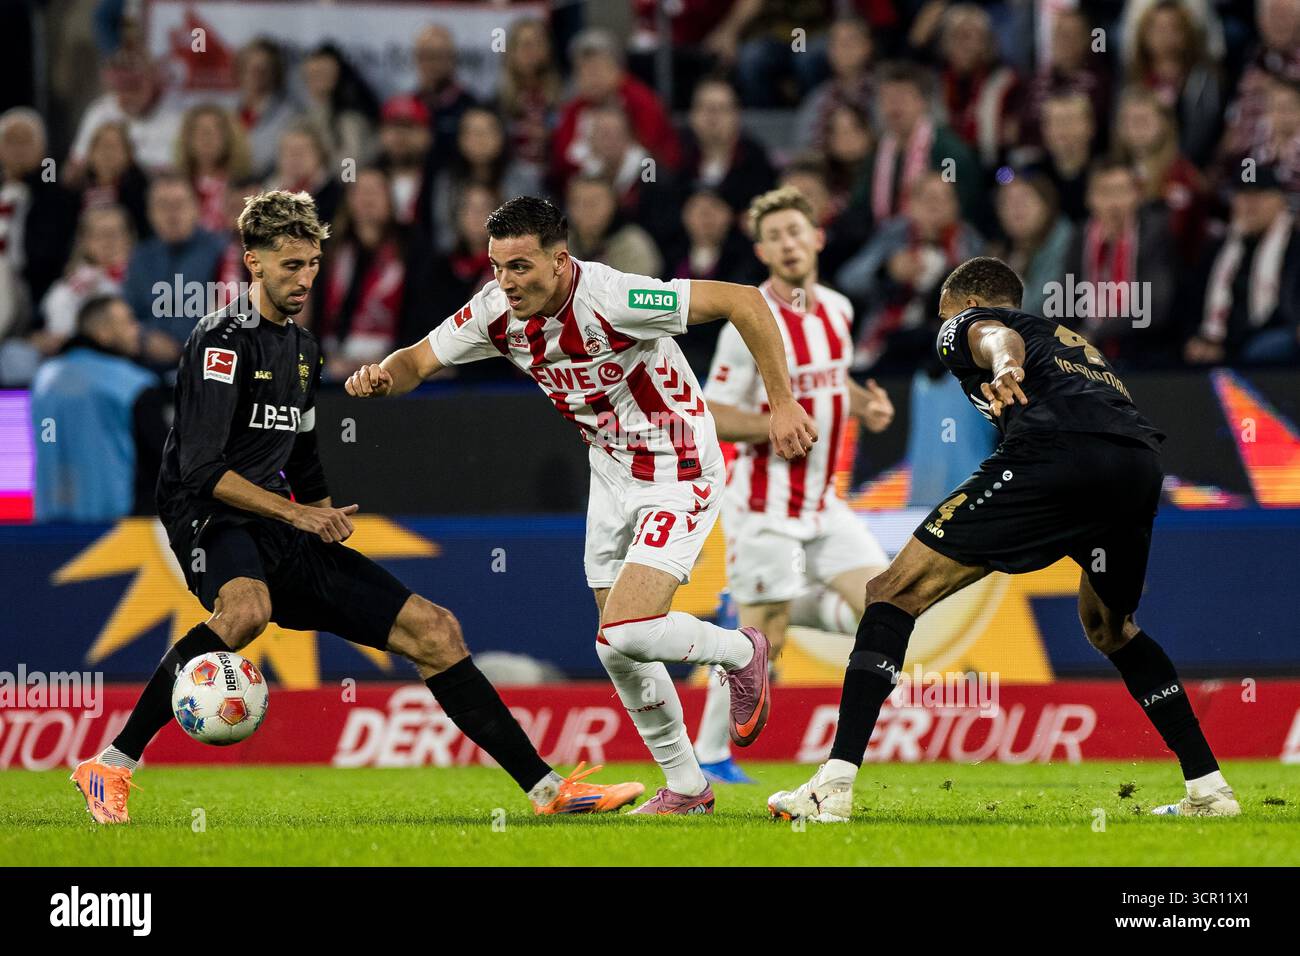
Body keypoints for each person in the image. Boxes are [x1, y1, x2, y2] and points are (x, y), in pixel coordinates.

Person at [70, 190, 643, 825]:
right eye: (289, 265)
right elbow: (201, 470)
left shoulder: (304, 348)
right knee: (246, 611)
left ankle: (547, 790)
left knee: (435, 629)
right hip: (211, 518)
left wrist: (321, 515)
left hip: (283, 523)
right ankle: (111, 764)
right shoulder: (221, 342)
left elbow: (304, 452)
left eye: (312, 263)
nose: (304, 278)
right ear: (252, 262)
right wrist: (298, 515)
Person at [346, 196, 818, 814]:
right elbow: (418, 361)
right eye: (496, 267)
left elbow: (742, 300)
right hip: (611, 474)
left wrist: (780, 402)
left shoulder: (615, 297)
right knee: (612, 645)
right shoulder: (496, 312)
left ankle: (740, 650)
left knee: (629, 626)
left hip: (680, 467)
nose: (506, 283)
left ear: (560, 261)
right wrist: (383, 374)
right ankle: (686, 787)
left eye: (520, 267)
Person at [769, 255, 1238, 822]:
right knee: (1110, 628)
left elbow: (993, 336)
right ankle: (1209, 790)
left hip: (1053, 457)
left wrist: (1004, 366)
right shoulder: (1069, 346)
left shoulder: (969, 323)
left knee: (893, 591)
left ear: (964, 303)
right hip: (1135, 466)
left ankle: (833, 785)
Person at [692, 186, 895, 783]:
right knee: (759, 648)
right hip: (762, 502)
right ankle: (708, 754)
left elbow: (834, 382)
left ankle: (766, 608)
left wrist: (865, 405)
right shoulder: (746, 324)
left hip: (823, 499)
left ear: (817, 239)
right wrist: (772, 424)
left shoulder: (837, 308)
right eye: (775, 235)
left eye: (795, 231)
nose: (788, 243)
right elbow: (713, 411)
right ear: (761, 250)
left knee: (884, 600)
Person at [30, 294, 161, 522]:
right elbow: (160, 461)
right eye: (128, 322)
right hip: (118, 530)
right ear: (103, 333)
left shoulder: (43, 378)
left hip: (49, 524)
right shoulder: (134, 384)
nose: (137, 329)